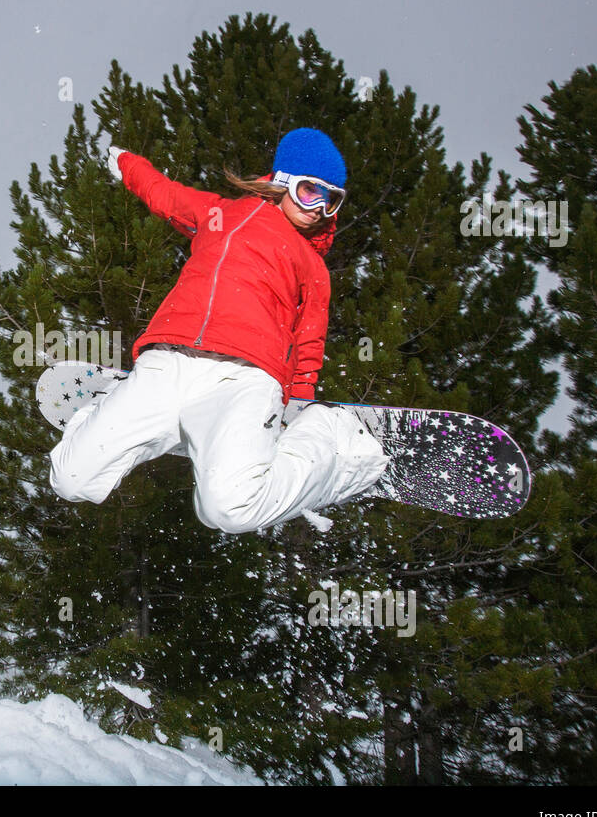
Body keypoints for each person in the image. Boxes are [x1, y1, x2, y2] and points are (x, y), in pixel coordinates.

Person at [49, 127, 389, 533]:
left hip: (245, 377)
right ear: (282, 181)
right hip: (169, 362)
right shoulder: (219, 213)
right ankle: (129, 419)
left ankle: (331, 443)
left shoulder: (311, 264)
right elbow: (163, 193)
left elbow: (309, 342)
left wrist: (297, 407)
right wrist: (125, 162)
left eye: (332, 200)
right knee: (70, 480)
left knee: (228, 511)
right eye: (310, 191)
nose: (320, 209)